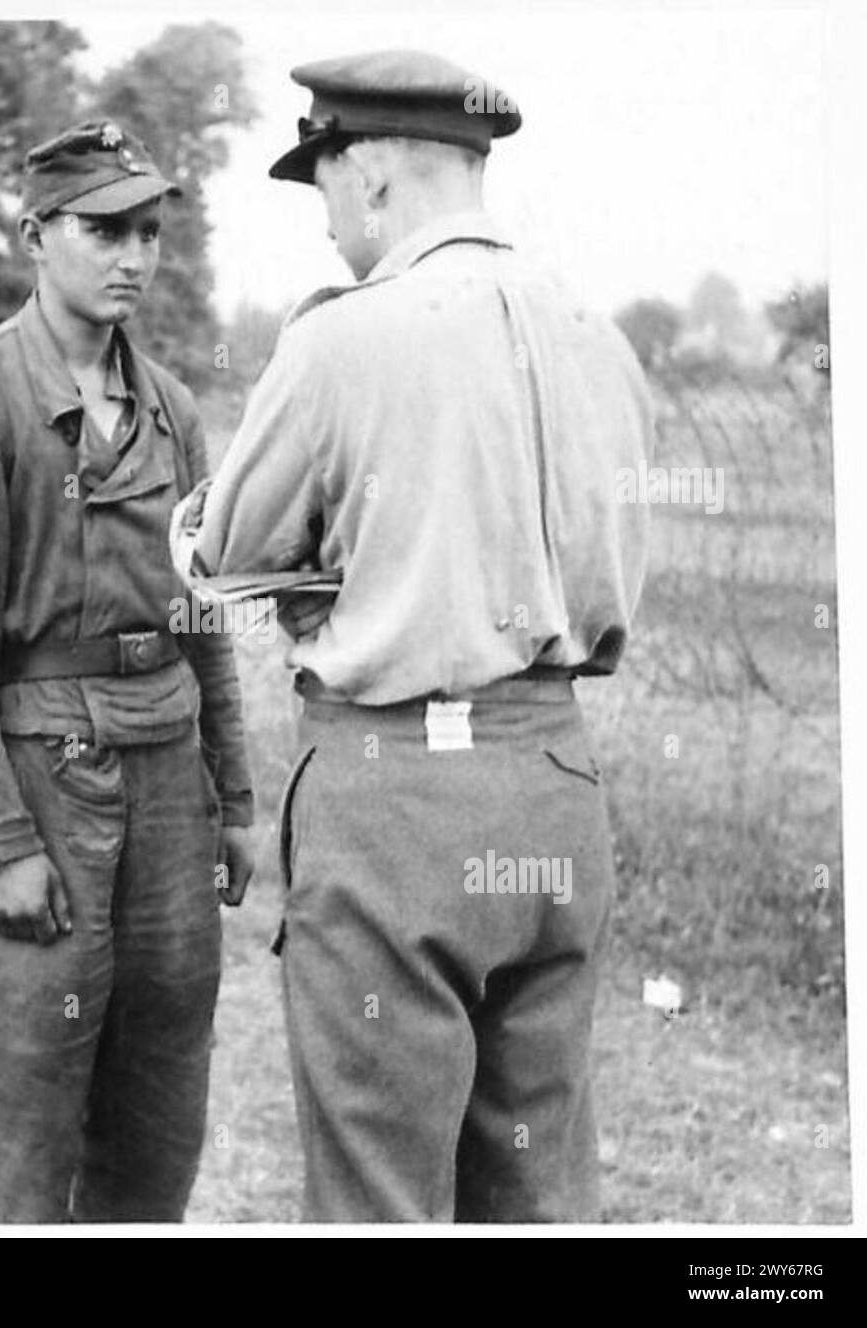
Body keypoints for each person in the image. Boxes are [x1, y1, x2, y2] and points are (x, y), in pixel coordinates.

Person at [188, 50, 653, 1222]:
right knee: (539, 1187)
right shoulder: (598, 335)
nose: (332, 223)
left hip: (396, 795)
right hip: (554, 775)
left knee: (378, 1196)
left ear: (372, 178)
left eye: (326, 185)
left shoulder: (344, 338)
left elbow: (222, 557)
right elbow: (605, 575)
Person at [0, 120, 255, 1224]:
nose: (133, 255)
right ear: (35, 233)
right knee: (15, 1099)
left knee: (157, 1099)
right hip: (39, 781)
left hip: (167, 785)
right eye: (103, 229)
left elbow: (205, 614)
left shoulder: (176, 411)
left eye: (148, 230)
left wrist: (233, 798)